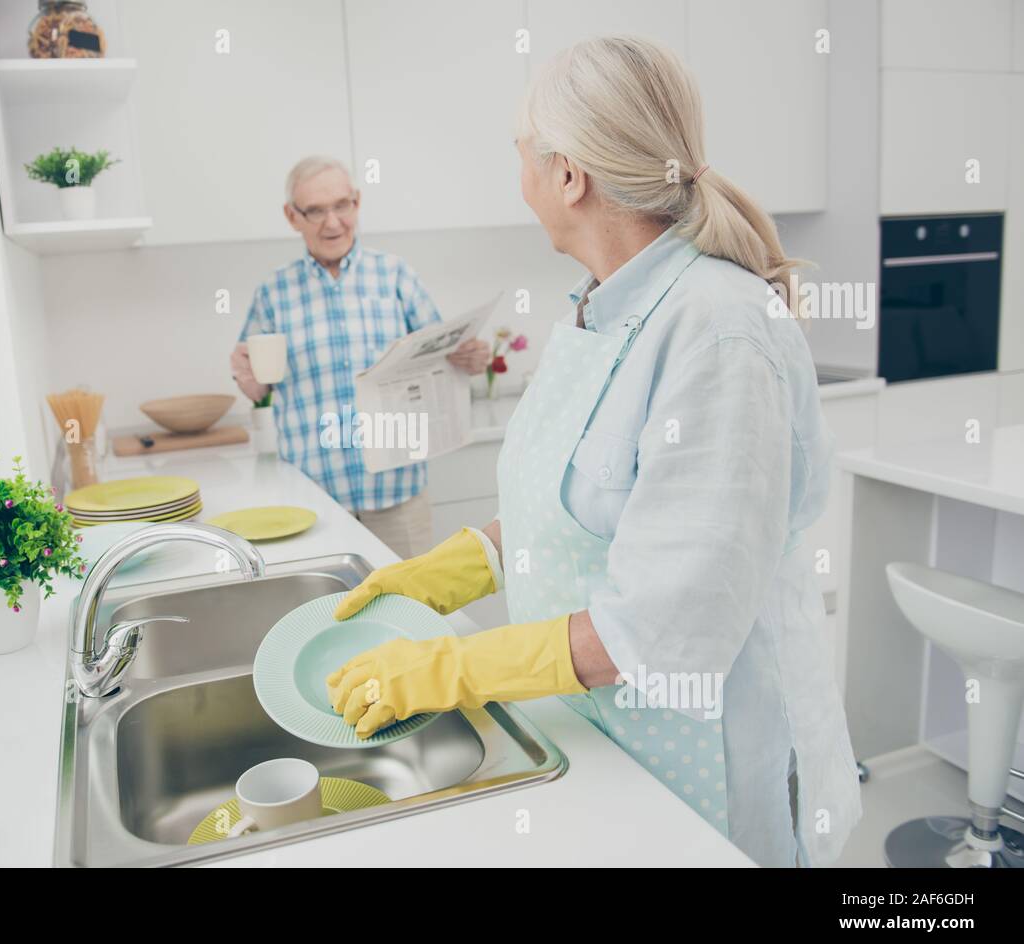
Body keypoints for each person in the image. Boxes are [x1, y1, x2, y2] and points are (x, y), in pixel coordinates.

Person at [324, 37, 862, 868]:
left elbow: (656, 627)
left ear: (568, 176)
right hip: (603, 738)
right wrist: (456, 567)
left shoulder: (718, 331)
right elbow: (571, 501)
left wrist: (454, 668)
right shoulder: (599, 309)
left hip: (705, 761)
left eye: (522, 159)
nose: (521, 181)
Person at [231, 156, 489, 557]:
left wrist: (469, 358)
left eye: (342, 205)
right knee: (327, 616)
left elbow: (440, 357)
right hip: (313, 503)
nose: (332, 222)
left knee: (409, 613)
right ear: (291, 216)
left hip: (398, 495)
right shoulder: (273, 292)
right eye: (315, 211)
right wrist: (250, 384)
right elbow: (258, 383)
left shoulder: (395, 275)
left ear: (357, 202)